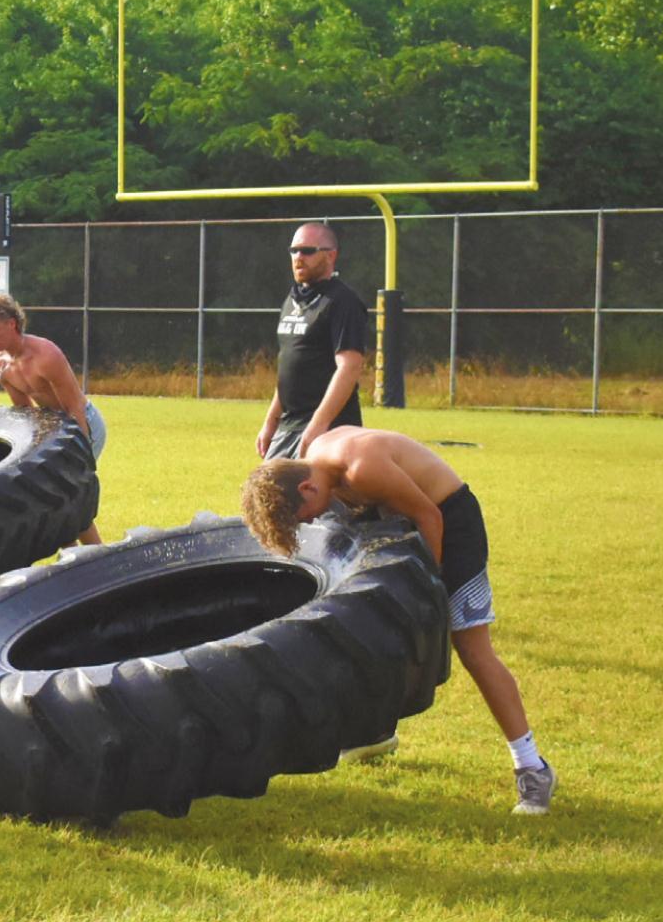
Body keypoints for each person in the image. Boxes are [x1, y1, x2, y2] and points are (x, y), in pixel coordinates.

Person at [238, 426, 557, 815]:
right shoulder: (317, 459)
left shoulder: (360, 469)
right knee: (364, 631)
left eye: (303, 516)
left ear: (307, 489)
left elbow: (430, 516)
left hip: (450, 524)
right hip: (394, 520)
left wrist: (431, 587)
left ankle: (532, 768)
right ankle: (372, 734)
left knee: (473, 650)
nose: (310, 522)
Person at [0, 293, 103, 545]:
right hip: (51, 429)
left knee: (65, 494)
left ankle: (95, 555)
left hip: (81, 424)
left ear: (12, 323)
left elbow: (73, 405)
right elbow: (26, 413)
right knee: (49, 498)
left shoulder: (46, 355)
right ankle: (72, 558)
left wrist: (80, 454)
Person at [256, 221, 368, 461]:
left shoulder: (342, 301)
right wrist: (271, 421)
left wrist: (319, 425)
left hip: (330, 428)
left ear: (331, 255)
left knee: (320, 498)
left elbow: (349, 367)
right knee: (265, 495)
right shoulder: (293, 299)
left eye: (307, 251)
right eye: (294, 250)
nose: (298, 257)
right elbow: (290, 369)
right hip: (289, 426)